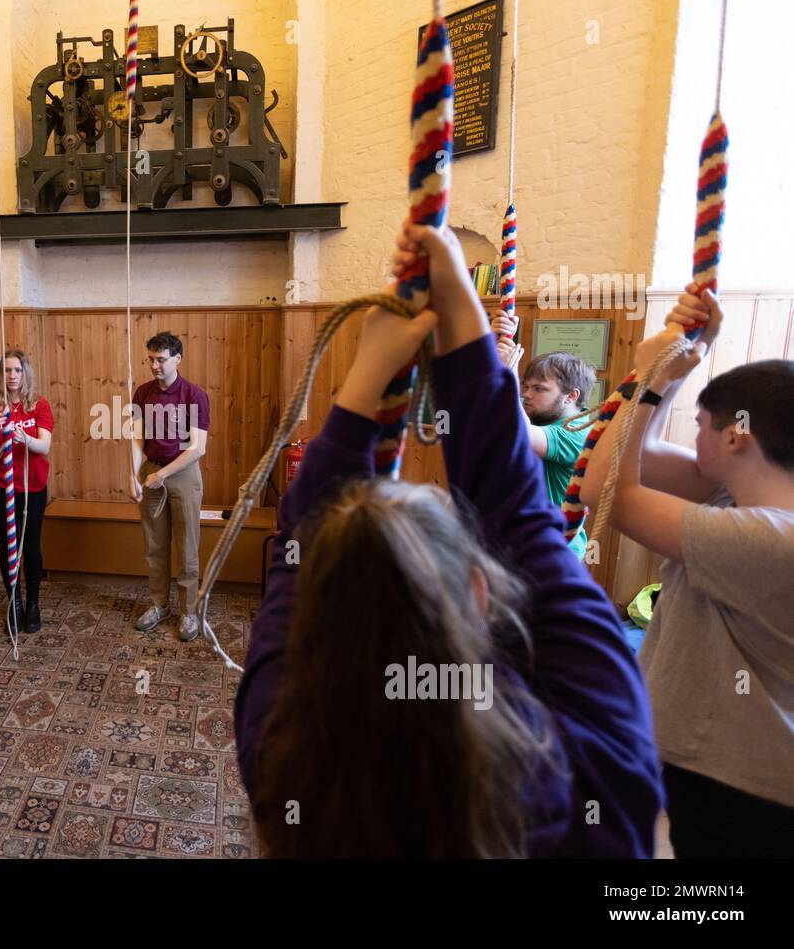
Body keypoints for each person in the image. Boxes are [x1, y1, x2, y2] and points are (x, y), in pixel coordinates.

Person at [235, 223, 662, 857]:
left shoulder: (287, 750)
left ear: (316, 620)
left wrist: (368, 372)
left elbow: (299, 548)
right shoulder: (590, 762)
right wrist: (462, 318)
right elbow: (519, 517)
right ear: (480, 589)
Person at [579, 285, 794, 857]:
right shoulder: (736, 499)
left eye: (701, 424)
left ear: (734, 436)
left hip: (745, 792)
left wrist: (648, 377)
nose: (693, 436)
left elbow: (605, 489)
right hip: (725, 775)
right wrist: (684, 360)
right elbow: (639, 461)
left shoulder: (767, 539)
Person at [129, 331, 211, 642]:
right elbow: (137, 438)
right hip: (150, 472)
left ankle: (189, 611)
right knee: (155, 545)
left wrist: (163, 476)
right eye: (150, 359)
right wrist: (132, 473)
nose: (154, 366)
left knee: (187, 546)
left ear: (177, 359)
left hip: (183, 474)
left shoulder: (194, 395)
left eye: (161, 360)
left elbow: (197, 448)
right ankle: (157, 604)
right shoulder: (143, 392)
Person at [0, 349, 54, 634]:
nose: (12, 376)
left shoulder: (39, 405)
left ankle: (33, 603)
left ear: (25, 373)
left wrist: (26, 439)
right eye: (7, 370)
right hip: (0, 487)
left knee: (30, 546)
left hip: (33, 488)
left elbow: (45, 446)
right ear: (0, 374)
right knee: (8, 547)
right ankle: (14, 604)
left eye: (17, 370)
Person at [496, 341, 596, 557]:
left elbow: (521, 433)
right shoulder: (540, 420)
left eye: (539, 389)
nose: (527, 394)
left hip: (555, 551)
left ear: (571, 396)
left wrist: (508, 373)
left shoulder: (578, 431)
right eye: (526, 386)